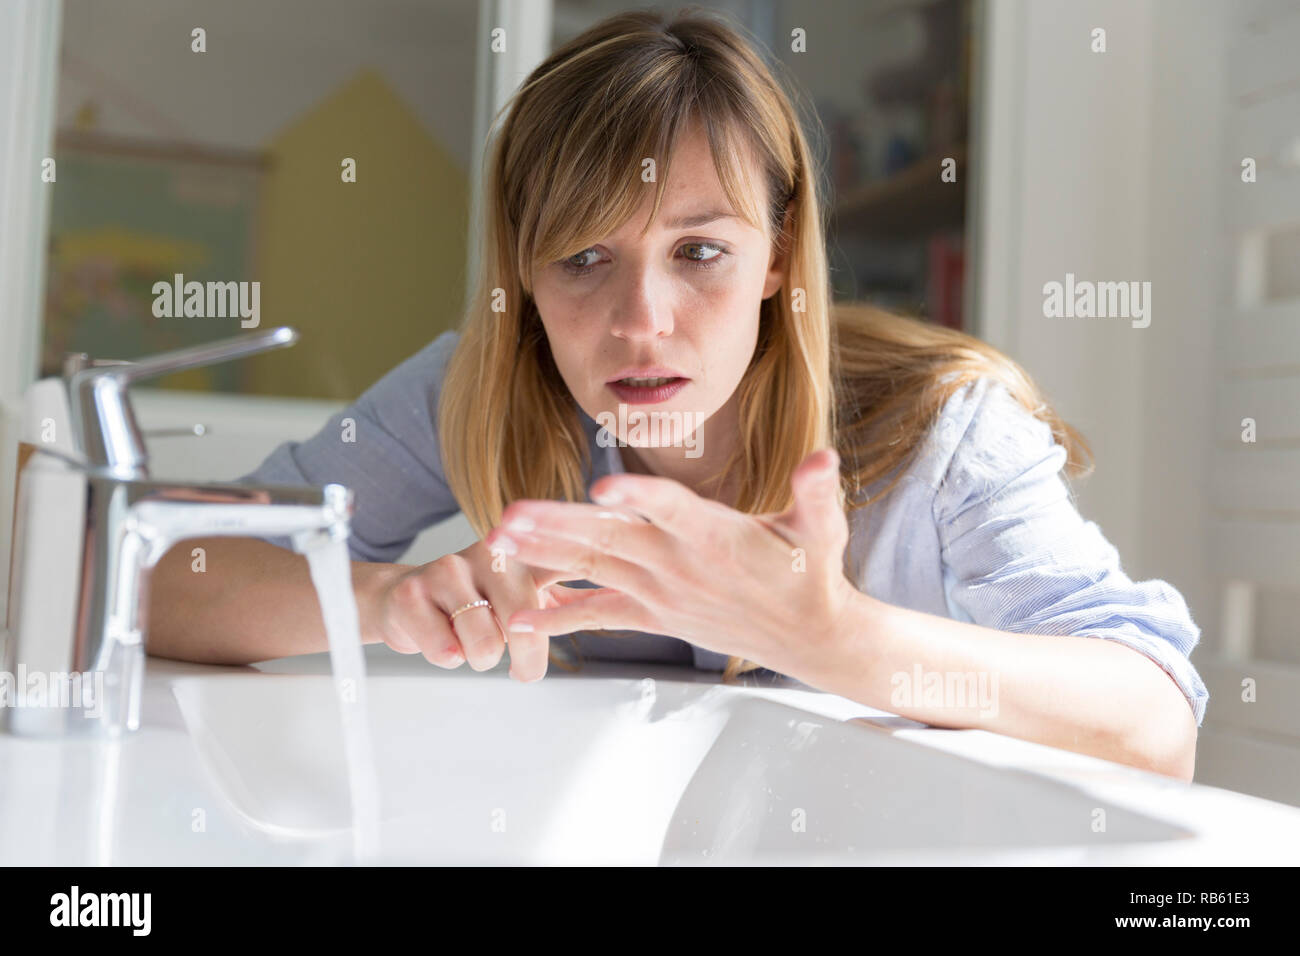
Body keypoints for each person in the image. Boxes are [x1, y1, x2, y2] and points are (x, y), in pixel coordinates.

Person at [148, 9, 1207, 779]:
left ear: (780, 254)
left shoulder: (943, 427)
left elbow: (1154, 717)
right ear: (520, 275)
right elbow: (160, 578)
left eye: (698, 249)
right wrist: (378, 597)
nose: (639, 322)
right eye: (580, 259)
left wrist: (832, 635)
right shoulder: (482, 385)